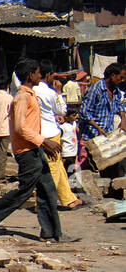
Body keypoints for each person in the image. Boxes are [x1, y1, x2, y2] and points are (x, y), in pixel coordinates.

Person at [0, 59, 73, 243]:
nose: (40, 76)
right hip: (27, 151)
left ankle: (51, 232)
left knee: (48, 189)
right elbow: (20, 128)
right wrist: (44, 142)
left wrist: (41, 144)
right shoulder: (22, 97)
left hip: (34, 148)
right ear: (30, 76)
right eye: (37, 73)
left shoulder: (29, 95)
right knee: (24, 192)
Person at [35, 75, 81, 210]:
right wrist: (59, 93)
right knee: (53, 168)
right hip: (49, 133)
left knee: (59, 166)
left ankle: (68, 198)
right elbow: (62, 110)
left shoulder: (31, 91)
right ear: (48, 76)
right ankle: (45, 202)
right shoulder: (48, 92)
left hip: (40, 132)